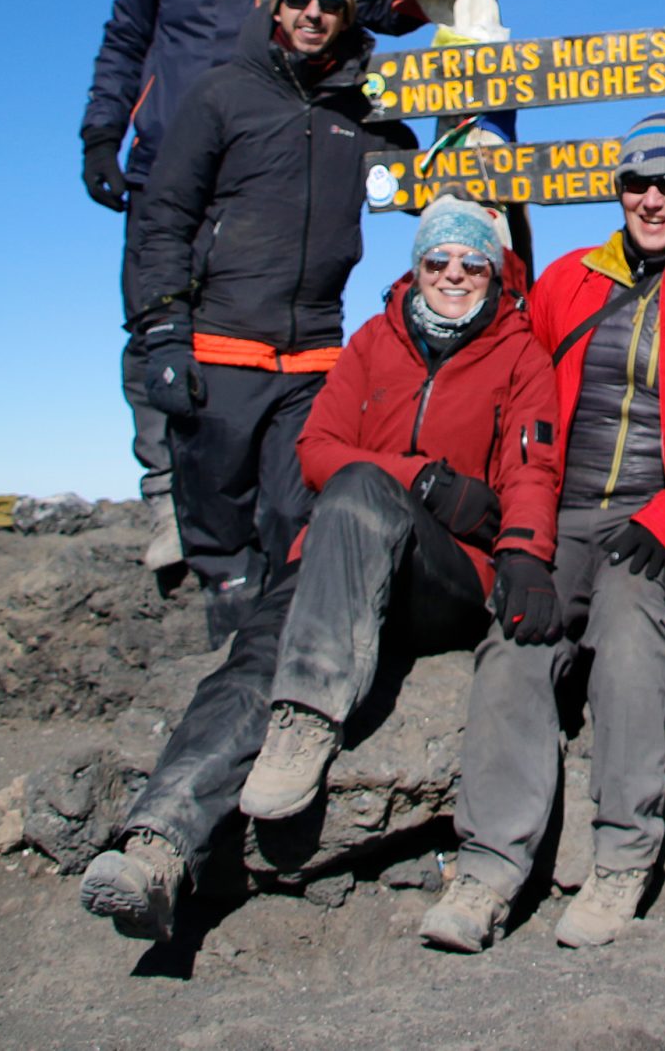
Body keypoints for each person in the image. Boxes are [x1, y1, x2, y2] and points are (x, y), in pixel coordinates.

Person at [80, 198, 558, 943]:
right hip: (338, 555)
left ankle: (308, 717)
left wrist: (523, 553)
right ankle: (156, 847)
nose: (454, 274)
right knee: (250, 659)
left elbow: (534, 466)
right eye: (438, 260)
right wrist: (421, 475)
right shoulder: (374, 341)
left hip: (443, 576)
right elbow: (316, 447)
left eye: (472, 262)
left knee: (364, 488)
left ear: (495, 272)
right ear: (416, 267)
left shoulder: (520, 352)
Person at [418, 110, 665, 954]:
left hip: (664, 517)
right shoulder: (566, 282)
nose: (651, 197)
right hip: (560, 510)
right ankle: (486, 869)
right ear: (617, 189)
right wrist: (517, 533)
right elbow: (512, 378)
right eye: (636, 182)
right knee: (516, 635)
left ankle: (623, 854)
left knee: (628, 621)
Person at [80, 0, 420, 566]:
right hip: (170, 158)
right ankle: (169, 498)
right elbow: (125, 39)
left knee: (260, 341)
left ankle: (267, 510)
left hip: (270, 170)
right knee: (158, 330)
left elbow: (376, 5)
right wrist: (101, 130)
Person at [128, 0, 396, 644]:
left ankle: (276, 658)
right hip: (221, 344)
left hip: (312, 357)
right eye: (299, 1)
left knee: (291, 514)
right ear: (275, 8)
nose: (312, 14)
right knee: (217, 517)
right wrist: (162, 329)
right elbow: (164, 216)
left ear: (345, 16)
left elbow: (419, 173)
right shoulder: (223, 93)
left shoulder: (358, 110)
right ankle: (223, 647)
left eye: (330, 4)